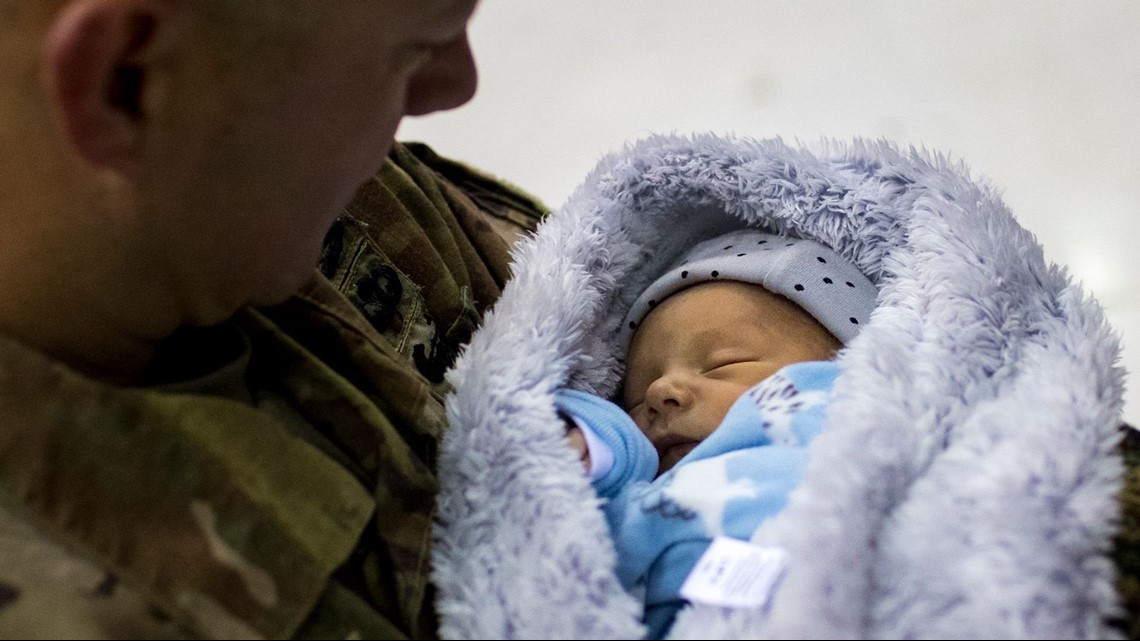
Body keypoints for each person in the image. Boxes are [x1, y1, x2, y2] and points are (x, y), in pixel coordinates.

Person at [0, 1, 545, 638]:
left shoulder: (282, 185)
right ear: (127, 82)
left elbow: (628, 308)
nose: (456, 86)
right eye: (420, 46)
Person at [556, 229, 878, 638]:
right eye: (636, 397)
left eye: (723, 363)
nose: (659, 392)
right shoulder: (645, 485)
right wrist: (594, 434)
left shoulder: (842, 406)